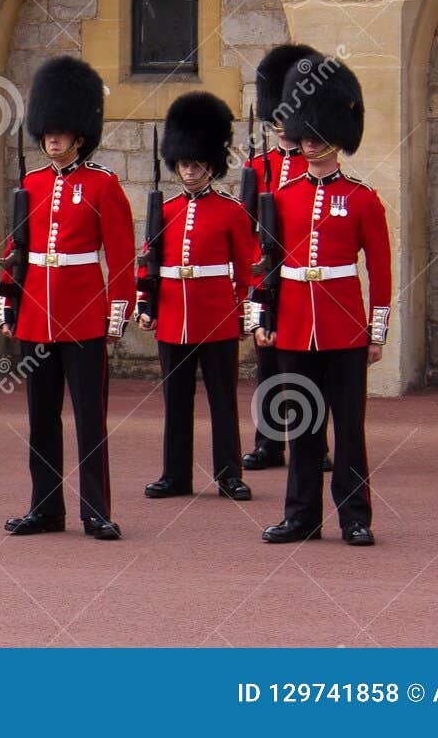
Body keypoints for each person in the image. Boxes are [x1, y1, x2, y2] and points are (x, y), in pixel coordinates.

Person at [249, 53, 389, 548]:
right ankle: (302, 515)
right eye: (305, 130)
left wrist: (377, 331)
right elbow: (263, 266)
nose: (309, 140)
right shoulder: (282, 197)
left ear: (337, 135)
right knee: (301, 426)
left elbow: (381, 270)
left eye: (318, 130)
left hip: (345, 327)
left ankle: (355, 515)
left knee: (349, 429)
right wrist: (261, 318)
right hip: (293, 324)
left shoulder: (363, 198)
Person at [0, 56, 135, 540]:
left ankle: (95, 509)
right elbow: (15, 251)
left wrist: (117, 313)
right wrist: (7, 306)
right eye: (47, 132)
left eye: (61, 132)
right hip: (35, 314)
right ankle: (45, 507)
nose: (52, 140)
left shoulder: (102, 185)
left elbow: (120, 255)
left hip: (84, 315)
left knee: (89, 420)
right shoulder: (30, 185)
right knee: (41, 421)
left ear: (79, 135)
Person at [137, 92, 254, 502]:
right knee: (176, 403)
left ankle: (229, 474)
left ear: (212, 166)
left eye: (197, 164)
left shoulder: (231, 211)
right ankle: (175, 475)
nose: (190, 171)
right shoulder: (164, 210)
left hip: (217, 315)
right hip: (172, 314)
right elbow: (147, 261)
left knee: (223, 402)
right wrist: (145, 305)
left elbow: (247, 268)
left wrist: (246, 315)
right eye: (185, 164)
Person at [241, 43, 328, 473]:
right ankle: (268, 442)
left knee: (313, 362)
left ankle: (316, 445)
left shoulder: (316, 168)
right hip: (266, 277)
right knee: (267, 362)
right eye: (275, 117)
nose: (280, 126)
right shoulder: (259, 166)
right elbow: (245, 229)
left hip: (303, 277)